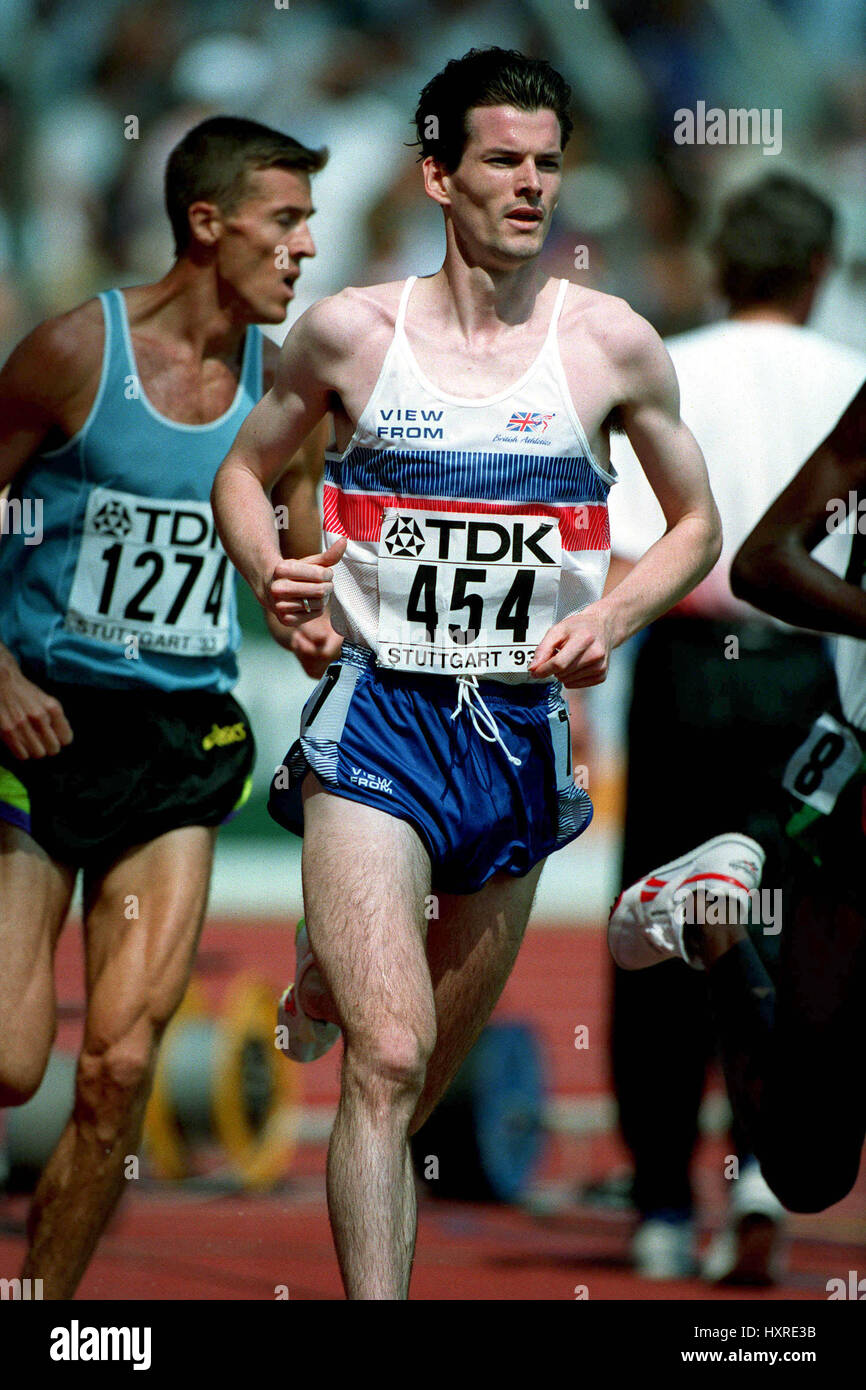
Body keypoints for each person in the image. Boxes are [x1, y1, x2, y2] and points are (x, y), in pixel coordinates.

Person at [212, 47, 721, 1301]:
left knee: (420, 1061)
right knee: (384, 1057)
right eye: (502, 159)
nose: (532, 185)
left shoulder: (610, 346)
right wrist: (275, 565)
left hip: (516, 733)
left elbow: (696, 524)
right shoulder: (349, 332)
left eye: (548, 163)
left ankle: (334, 958)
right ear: (439, 174)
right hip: (378, 720)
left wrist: (614, 608)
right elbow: (238, 470)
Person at [0, 115, 333, 1298]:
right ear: (207, 223)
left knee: (118, 1067)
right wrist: (0, 676)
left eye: (308, 223)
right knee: (9, 1059)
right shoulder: (69, 355)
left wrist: (313, 619)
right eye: (284, 220)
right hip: (39, 734)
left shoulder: (290, 394)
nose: (306, 247)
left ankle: (40, 1313)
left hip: (182, 745)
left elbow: (303, 576)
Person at [604, 173, 866, 1282]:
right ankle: (758, 1184)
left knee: (662, 938)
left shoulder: (668, 365)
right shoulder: (847, 374)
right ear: (817, 273)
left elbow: (620, 555)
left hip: (681, 660)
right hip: (802, 680)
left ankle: (663, 1204)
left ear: (720, 267)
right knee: (794, 924)